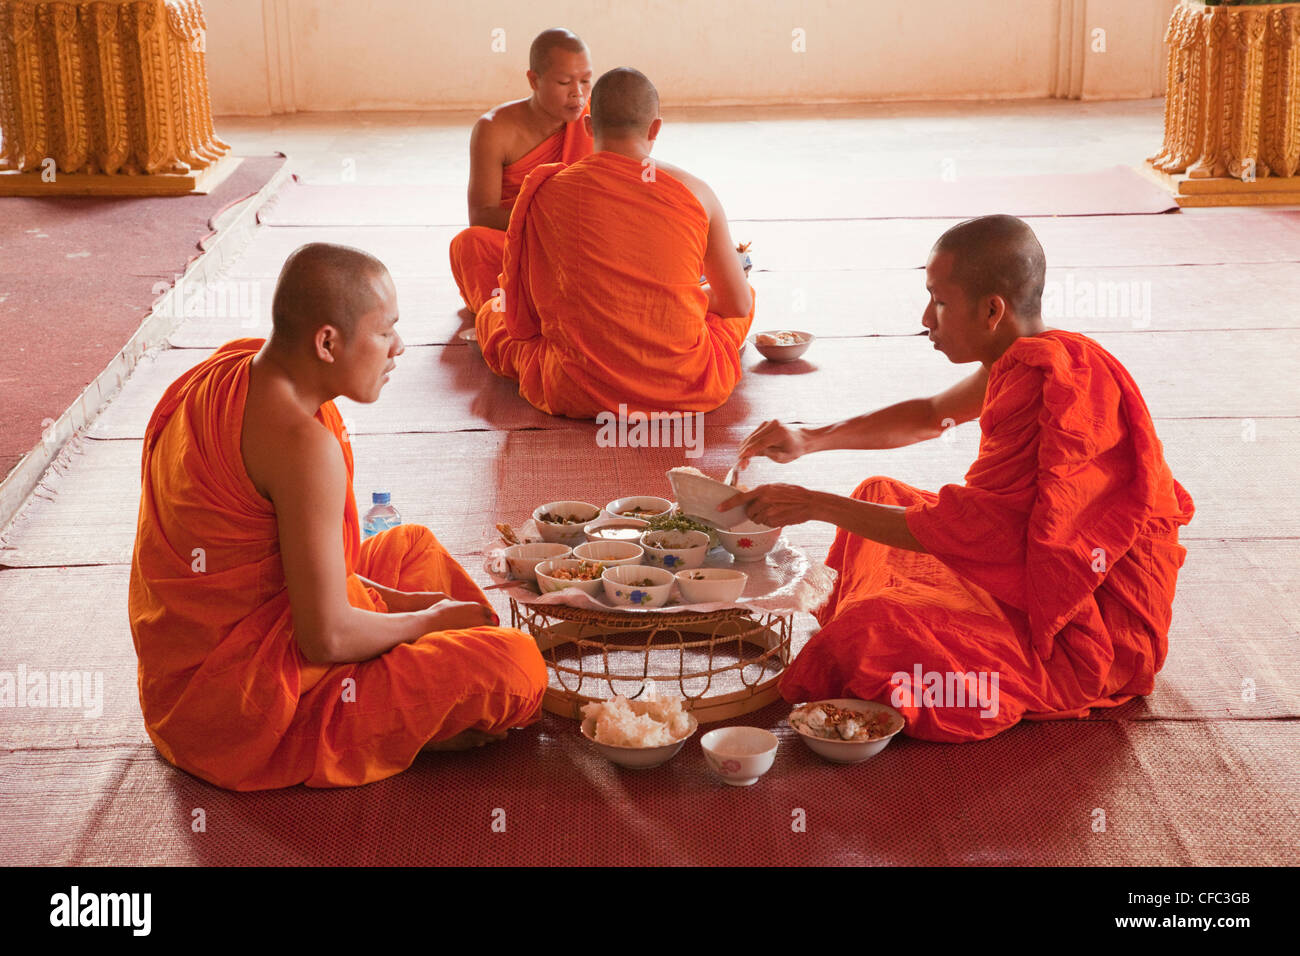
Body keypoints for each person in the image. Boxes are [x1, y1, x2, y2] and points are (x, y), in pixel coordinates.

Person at [721, 215, 1194, 742]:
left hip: (1076, 622)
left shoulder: (1054, 376)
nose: (926, 317)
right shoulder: (1016, 358)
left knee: (867, 632)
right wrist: (811, 438)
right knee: (877, 493)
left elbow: (988, 532)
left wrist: (815, 504)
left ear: (993, 309)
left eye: (939, 301)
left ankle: (889, 625)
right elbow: (929, 414)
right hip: (1017, 565)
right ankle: (891, 613)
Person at [128, 243, 548, 790]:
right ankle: (396, 723)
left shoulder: (228, 370)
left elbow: (289, 568)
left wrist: (403, 605)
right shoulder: (301, 445)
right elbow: (323, 639)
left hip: (191, 678)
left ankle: (405, 689)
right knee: (514, 666)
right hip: (241, 708)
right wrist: (427, 622)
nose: (399, 348)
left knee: (410, 547)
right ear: (327, 341)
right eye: (384, 331)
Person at [475, 67, 755, 418]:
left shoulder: (547, 189)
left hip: (577, 387)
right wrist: (695, 300)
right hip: (684, 387)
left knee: (493, 314)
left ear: (589, 126)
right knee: (746, 294)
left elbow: (529, 311)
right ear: (655, 129)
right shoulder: (697, 193)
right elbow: (738, 306)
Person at [448, 28, 594, 315]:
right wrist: (548, 218)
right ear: (534, 80)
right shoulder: (494, 129)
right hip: (521, 245)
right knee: (470, 246)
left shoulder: (593, 120)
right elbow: (481, 215)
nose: (578, 93)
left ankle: (546, 308)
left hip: (579, 245)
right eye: (565, 82)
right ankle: (508, 317)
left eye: (586, 81)